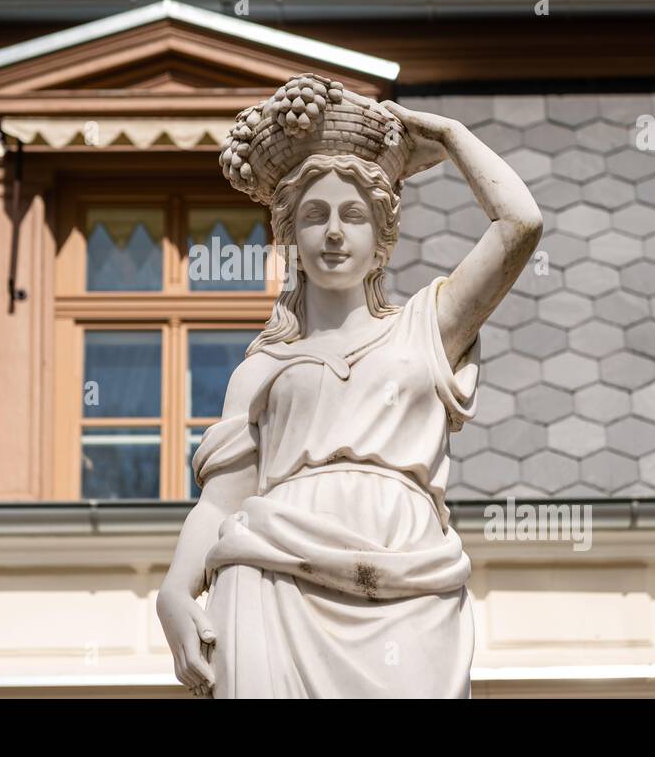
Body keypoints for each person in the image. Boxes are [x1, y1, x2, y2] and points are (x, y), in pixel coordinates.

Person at [157, 75, 542, 698]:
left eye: (353, 214)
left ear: (381, 238)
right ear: (291, 237)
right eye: (314, 215)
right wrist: (175, 589)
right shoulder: (263, 365)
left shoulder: (428, 328)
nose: (334, 232)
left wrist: (449, 135)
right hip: (270, 580)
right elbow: (220, 503)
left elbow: (519, 224)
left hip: (410, 578)